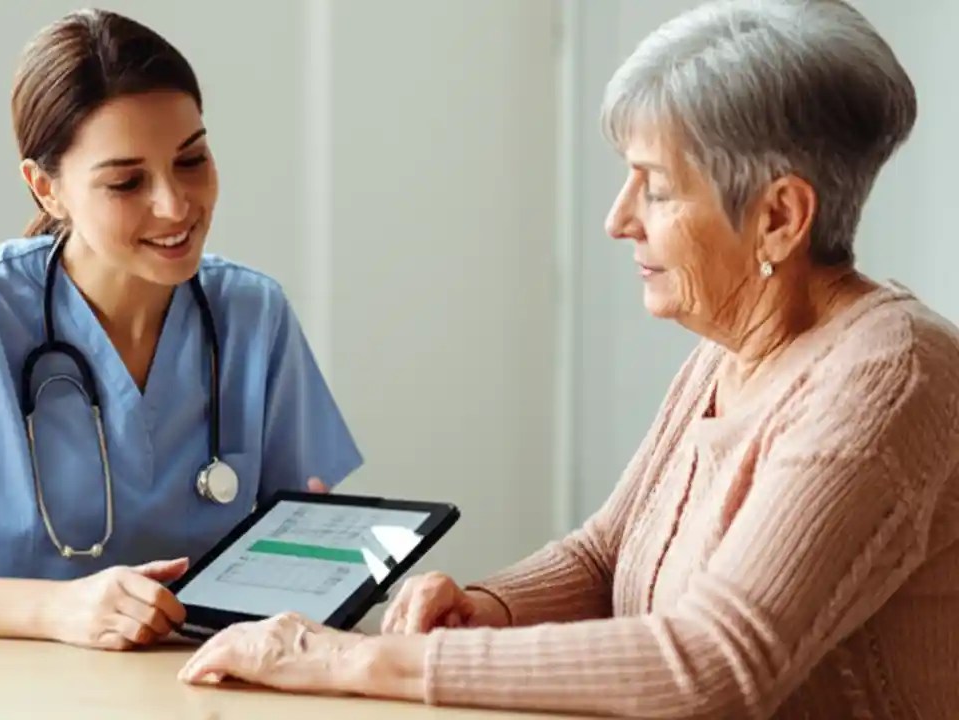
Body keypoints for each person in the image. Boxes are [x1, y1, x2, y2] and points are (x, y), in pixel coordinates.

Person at [176, 0, 959, 716]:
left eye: (653, 188)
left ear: (780, 216)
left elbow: (718, 660)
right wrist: (491, 605)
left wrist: (351, 657)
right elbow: (605, 554)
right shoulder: (735, 351)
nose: (619, 219)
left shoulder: (890, 374)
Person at [0, 9, 362, 652]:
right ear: (46, 189)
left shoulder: (252, 313)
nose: (176, 205)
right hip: (0, 690)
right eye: (127, 181)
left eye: (192, 160)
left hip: (204, 687)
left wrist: (329, 558)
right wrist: (58, 610)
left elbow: (299, 546)